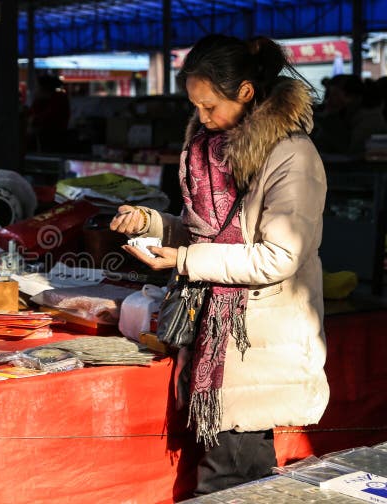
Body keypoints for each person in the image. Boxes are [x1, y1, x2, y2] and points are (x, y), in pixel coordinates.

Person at [111, 34, 329, 494]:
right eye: (196, 107)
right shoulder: (208, 151)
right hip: (212, 332)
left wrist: (186, 259)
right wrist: (150, 223)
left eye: (210, 106)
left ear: (246, 92)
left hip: (257, 342)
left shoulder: (293, 156)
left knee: (232, 479)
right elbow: (200, 231)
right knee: (232, 476)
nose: (202, 118)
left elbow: (279, 256)